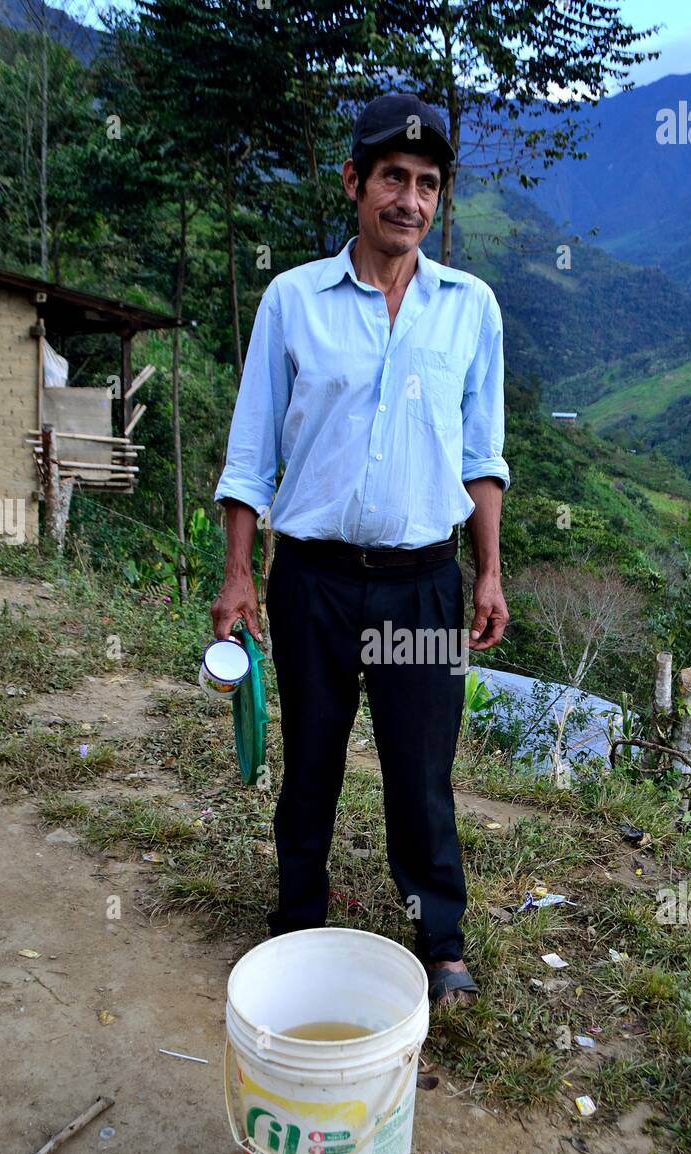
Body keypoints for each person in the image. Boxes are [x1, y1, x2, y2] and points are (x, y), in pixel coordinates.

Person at [211, 92, 510, 1007]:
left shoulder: (470, 309)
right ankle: (297, 923)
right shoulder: (292, 301)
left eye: (426, 185)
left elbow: (482, 457)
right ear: (354, 181)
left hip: (423, 584)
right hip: (314, 581)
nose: (409, 201)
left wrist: (489, 572)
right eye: (392, 178)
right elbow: (251, 454)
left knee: (422, 774)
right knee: (312, 764)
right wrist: (238, 573)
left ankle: (441, 940)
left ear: (439, 198)